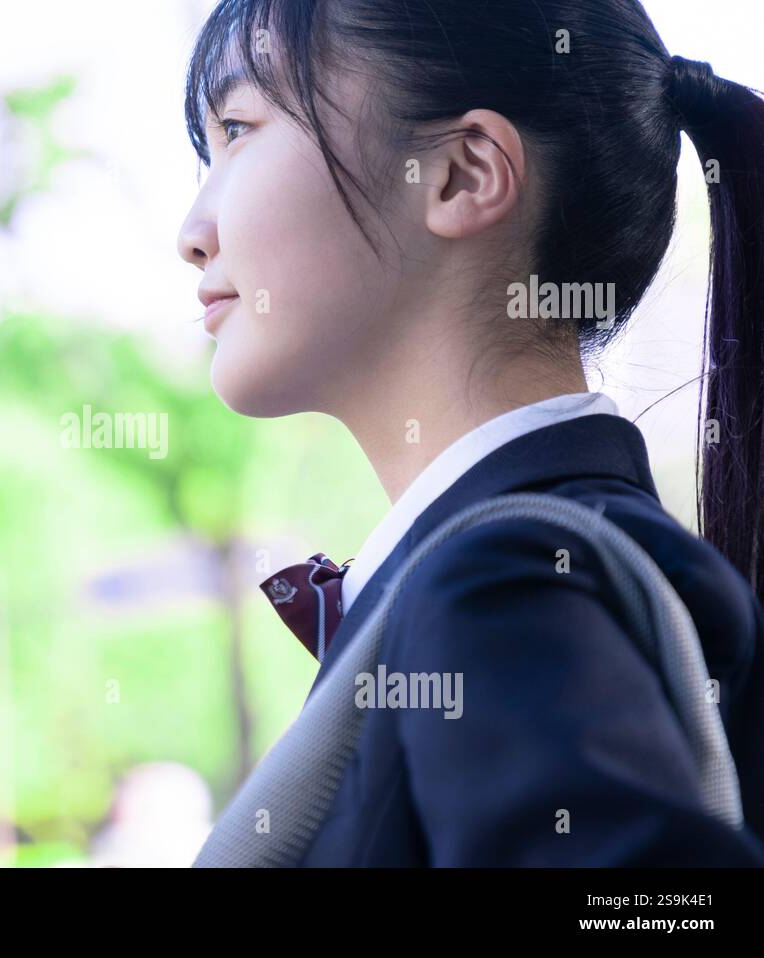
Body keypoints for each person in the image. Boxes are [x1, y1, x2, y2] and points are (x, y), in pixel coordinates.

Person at [176, 0, 764, 866]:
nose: (192, 234)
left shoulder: (507, 582)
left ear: (461, 174)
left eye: (239, 129)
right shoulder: (539, 564)